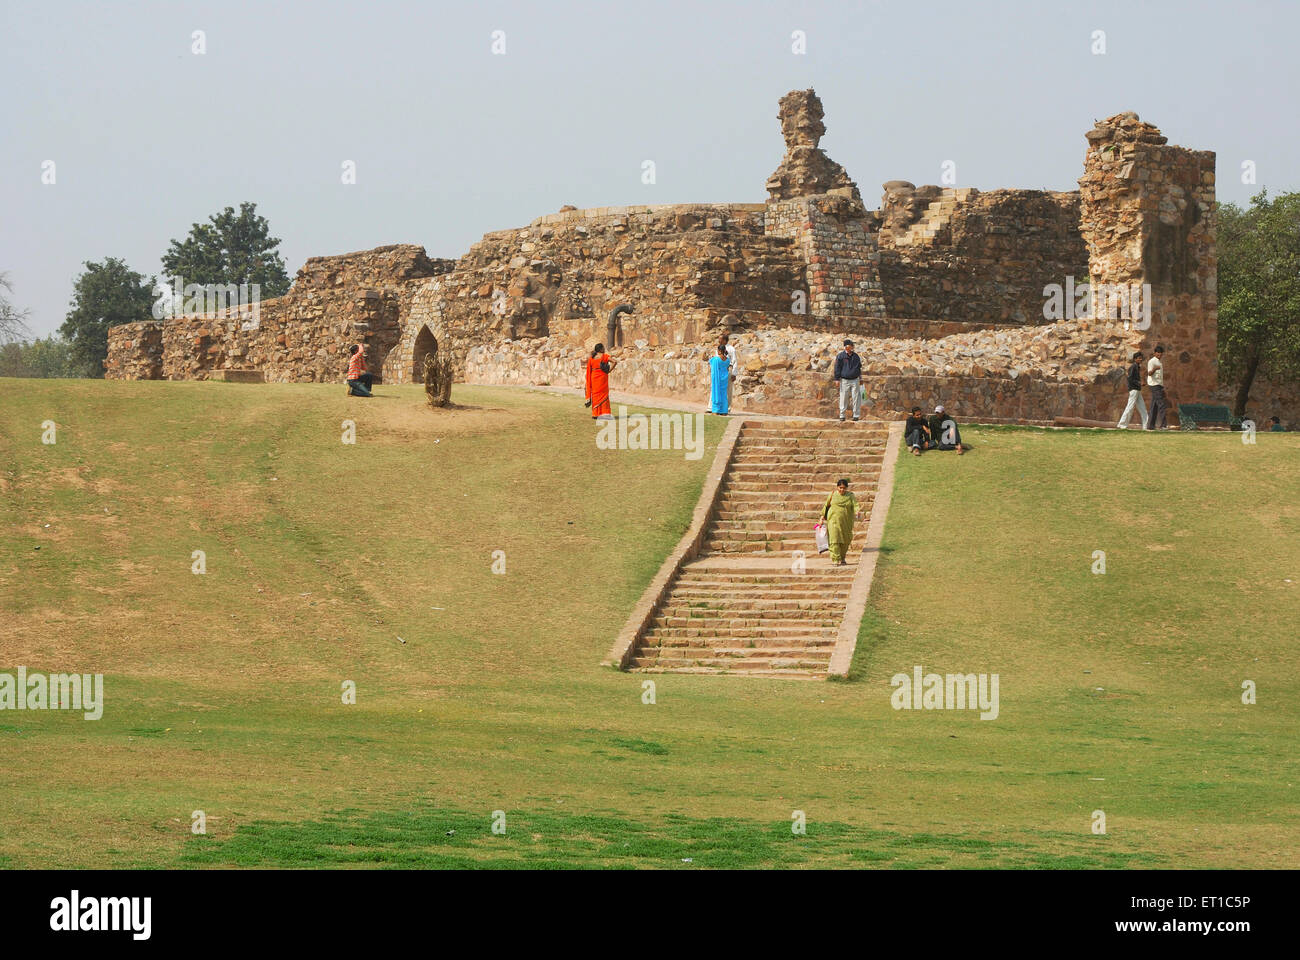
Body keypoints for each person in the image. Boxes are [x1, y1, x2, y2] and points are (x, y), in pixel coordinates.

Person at [820, 478, 862, 566]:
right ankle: (835, 559)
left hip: (846, 522)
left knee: (845, 541)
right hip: (833, 521)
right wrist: (821, 518)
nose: (842, 490)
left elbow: (855, 505)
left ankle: (842, 558)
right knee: (834, 540)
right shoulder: (832, 495)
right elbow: (826, 506)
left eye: (844, 488)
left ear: (846, 488)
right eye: (840, 487)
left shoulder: (850, 496)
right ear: (837, 487)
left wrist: (857, 511)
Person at [585, 343, 617, 419]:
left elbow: (588, 371)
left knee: (595, 395)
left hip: (594, 378)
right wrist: (609, 370)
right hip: (602, 378)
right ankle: (604, 413)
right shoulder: (604, 357)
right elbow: (614, 362)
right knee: (604, 395)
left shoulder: (591, 359)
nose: (604, 349)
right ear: (601, 349)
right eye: (603, 348)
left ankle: (595, 414)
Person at [833, 339, 862, 422]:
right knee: (843, 397)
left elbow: (858, 368)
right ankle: (842, 415)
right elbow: (837, 368)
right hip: (844, 380)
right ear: (846, 346)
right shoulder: (840, 356)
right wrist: (836, 379)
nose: (852, 346)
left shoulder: (856, 356)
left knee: (856, 398)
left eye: (852, 345)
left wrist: (861, 378)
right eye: (850, 345)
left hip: (855, 380)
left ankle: (856, 415)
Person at [1117, 350, 1148, 429]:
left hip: (1137, 390)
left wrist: (1140, 384)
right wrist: (1139, 383)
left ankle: (1146, 426)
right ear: (1135, 359)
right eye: (1139, 358)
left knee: (1143, 408)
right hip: (1134, 390)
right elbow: (1130, 379)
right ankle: (1122, 424)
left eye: (1141, 358)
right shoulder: (1133, 367)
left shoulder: (1137, 367)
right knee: (1130, 407)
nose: (1140, 359)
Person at [1145, 344, 1168, 430]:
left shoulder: (1159, 362)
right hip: (1154, 385)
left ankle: (1150, 425)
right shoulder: (1152, 361)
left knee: (1154, 406)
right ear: (1154, 353)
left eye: (1161, 353)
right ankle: (1163, 425)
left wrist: (1162, 387)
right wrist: (1155, 369)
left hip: (1158, 385)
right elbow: (1149, 373)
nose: (1159, 354)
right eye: (1158, 353)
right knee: (1161, 405)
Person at [708, 343, 731, 415]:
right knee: (723, 394)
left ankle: (716, 410)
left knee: (716, 392)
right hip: (724, 378)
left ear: (719, 350)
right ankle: (724, 411)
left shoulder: (716, 359)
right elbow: (727, 368)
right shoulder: (728, 360)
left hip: (717, 378)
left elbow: (710, 362)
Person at [719, 332, 737, 408]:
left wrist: (734, 373)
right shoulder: (719, 348)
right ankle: (716, 407)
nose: (718, 340)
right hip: (720, 370)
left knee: (728, 389)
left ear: (725, 340)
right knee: (718, 388)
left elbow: (734, 361)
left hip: (728, 369)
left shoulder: (731, 349)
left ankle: (727, 408)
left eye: (720, 339)